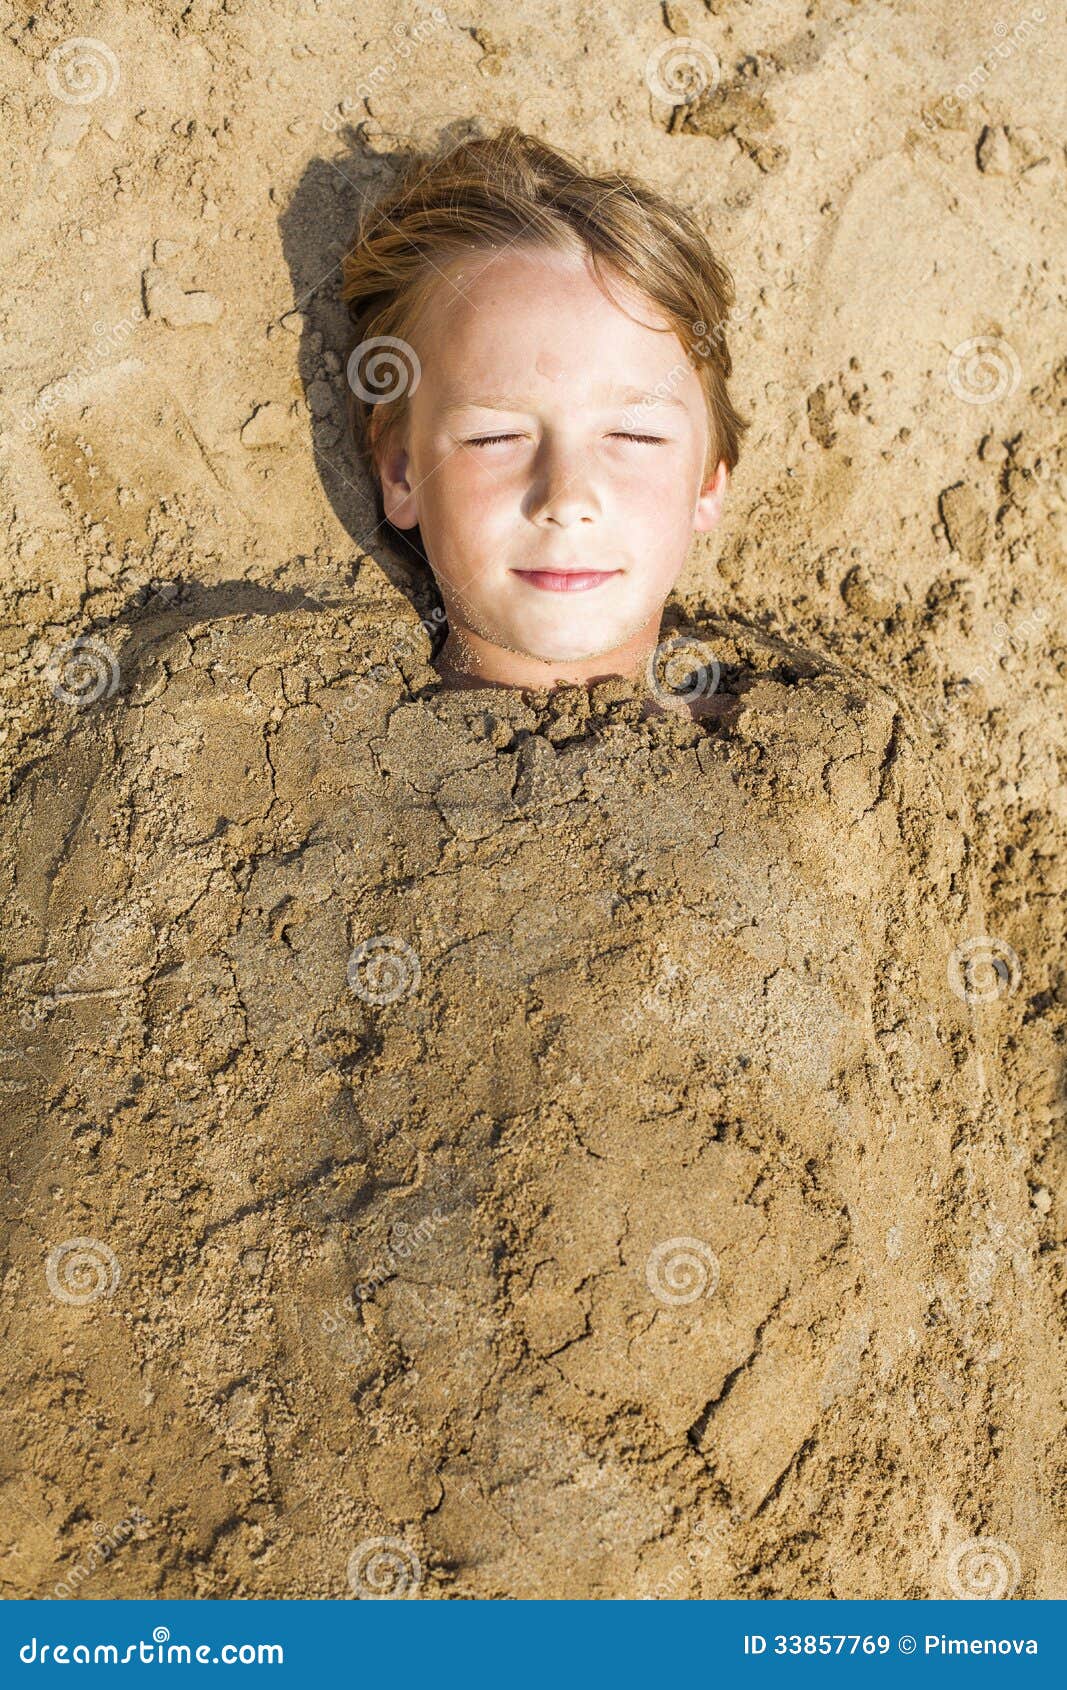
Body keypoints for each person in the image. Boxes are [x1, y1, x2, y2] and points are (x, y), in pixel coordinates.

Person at [340, 125, 748, 716]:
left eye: (634, 434)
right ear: (402, 471)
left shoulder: (827, 773)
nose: (565, 497)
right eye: (495, 436)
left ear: (708, 481)